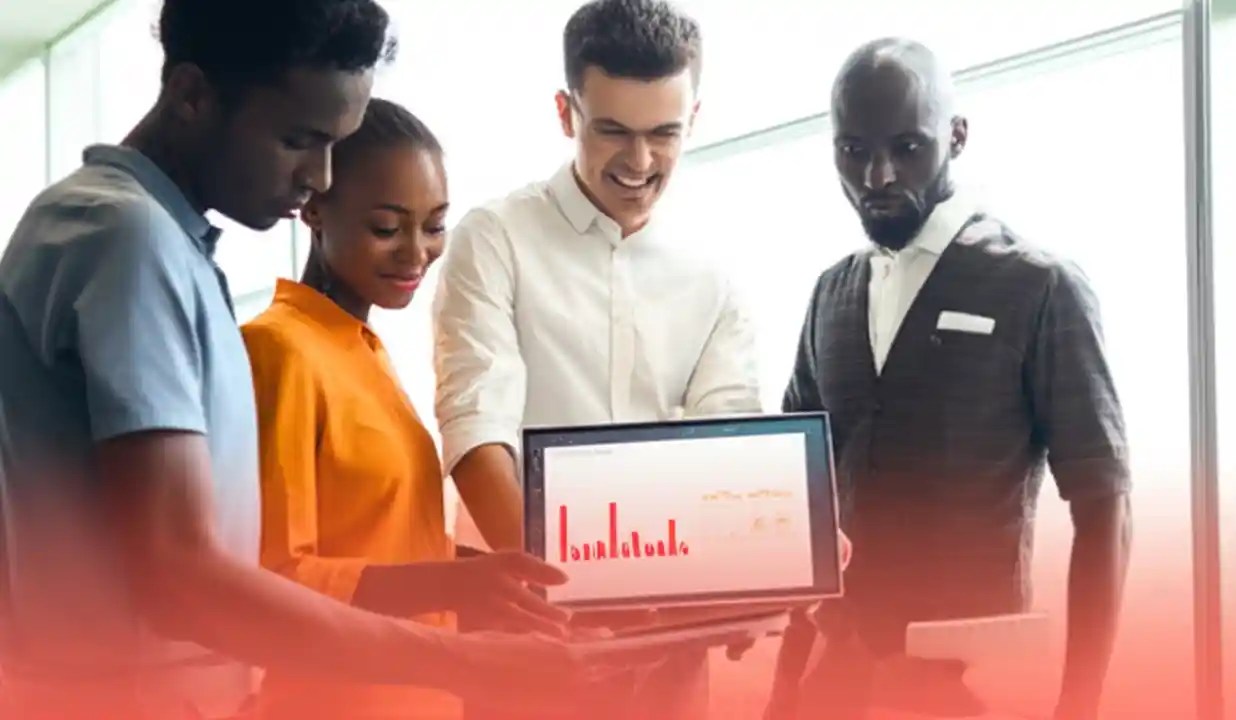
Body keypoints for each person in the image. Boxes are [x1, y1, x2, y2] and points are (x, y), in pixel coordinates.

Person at [0, 2, 653, 718]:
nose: (319, 175)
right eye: (299, 140)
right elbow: (183, 576)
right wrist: (466, 660)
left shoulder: (148, 239)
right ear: (191, 94)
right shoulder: (126, 238)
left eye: (335, 145)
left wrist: (451, 586)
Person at [767, 38, 1133, 720]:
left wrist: (1079, 704)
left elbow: (1104, 503)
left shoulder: (1039, 286)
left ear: (957, 136)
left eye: (907, 147)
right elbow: (801, 511)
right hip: (834, 683)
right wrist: (785, 690)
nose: (877, 175)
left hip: (971, 686)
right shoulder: (829, 296)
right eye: (853, 150)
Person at [433, 1, 761, 717]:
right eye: (613, 130)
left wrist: (769, 559)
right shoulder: (494, 239)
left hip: (669, 639)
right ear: (566, 112)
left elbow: (727, 450)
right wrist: (576, 591)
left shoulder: (711, 276)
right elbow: (474, 428)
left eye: (664, 134)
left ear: (693, 119)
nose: (640, 163)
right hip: (523, 622)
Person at [242, 97, 579, 720]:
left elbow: (386, 545)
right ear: (312, 207)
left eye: (434, 225)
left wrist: (496, 583)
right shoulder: (279, 348)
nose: (417, 252)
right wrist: (453, 583)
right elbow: (274, 579)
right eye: (386, 228)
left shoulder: (362, 351)